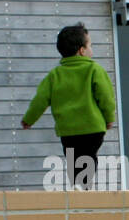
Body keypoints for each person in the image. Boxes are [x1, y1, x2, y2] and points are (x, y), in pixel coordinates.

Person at [21, 23, 117, 189]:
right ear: (81, 50)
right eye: (90, 46)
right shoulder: (94, 69)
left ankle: (79, 189)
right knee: (89, 156)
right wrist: (109, 118)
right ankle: (86, 188)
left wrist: (29, 120)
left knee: (73, 160)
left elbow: (40, 100)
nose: (92, 50)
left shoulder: (55, 75)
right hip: (92, 128)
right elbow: (106, 97)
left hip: (69, 131)